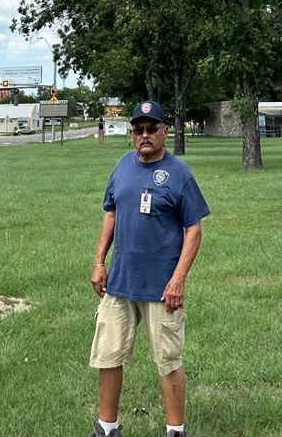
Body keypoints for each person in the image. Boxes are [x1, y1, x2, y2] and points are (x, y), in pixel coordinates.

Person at [89, 100, 210, 437]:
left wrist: (178, 280)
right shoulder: (122, 166)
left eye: (151, 128)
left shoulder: (179, 173)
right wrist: (100, 262)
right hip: (120, 283)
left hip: (162, 287)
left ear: (164, 132)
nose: (144, 135)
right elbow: (110, 213)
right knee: (108, 355)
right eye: (138, 129)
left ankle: (175, 430)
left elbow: (194, 229)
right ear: (131, 134)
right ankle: (107, 427)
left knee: (168, 360)